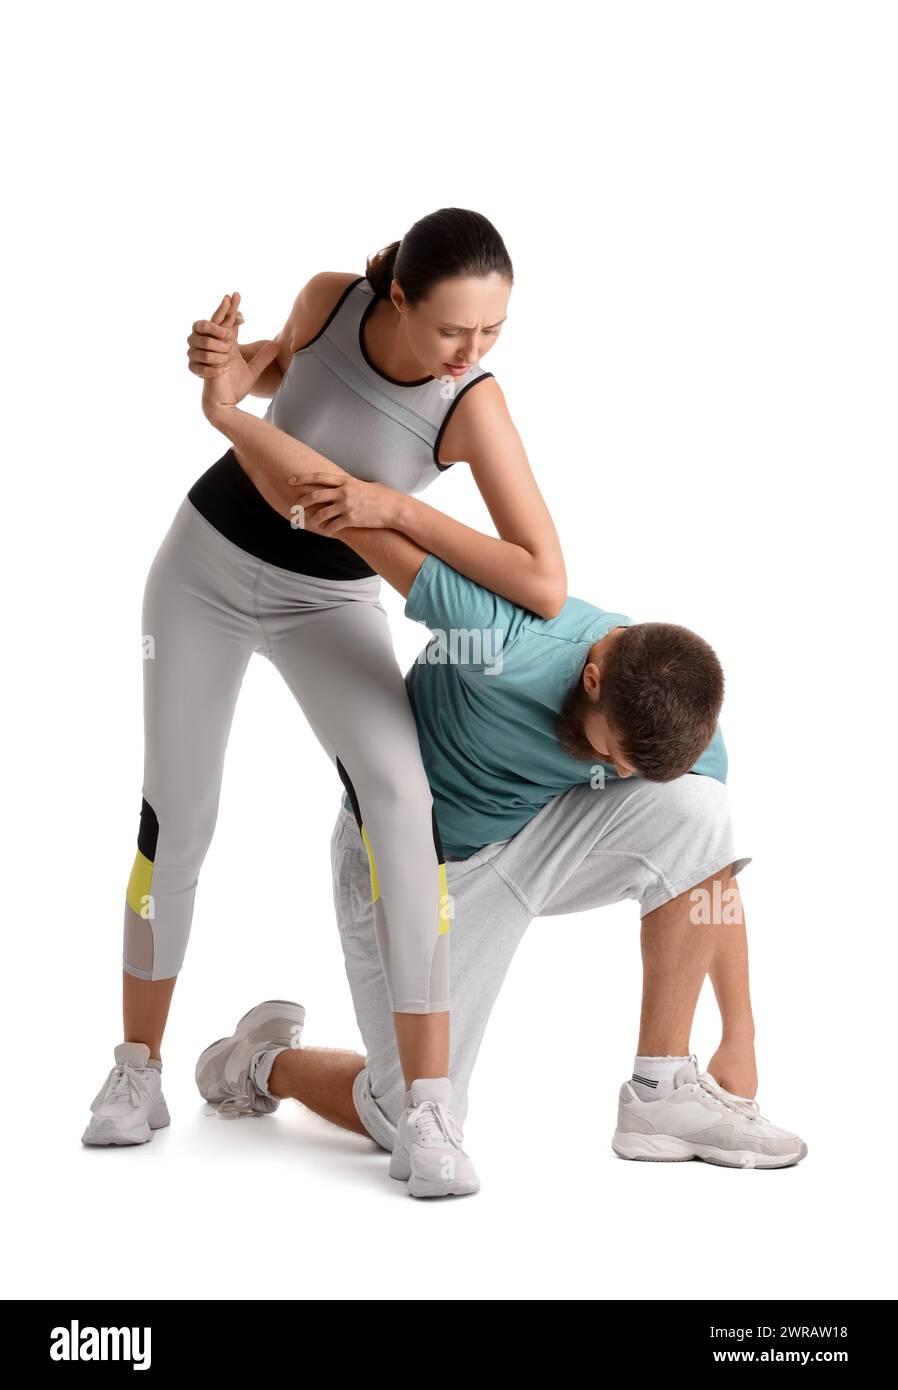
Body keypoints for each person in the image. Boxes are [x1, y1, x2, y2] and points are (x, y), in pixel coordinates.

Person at [82, 210, 567, 1200]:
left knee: (402, 801)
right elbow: (278, 374)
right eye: (450, 332)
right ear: (396, 297)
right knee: (175, 814)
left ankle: (426, 1109)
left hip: (329, 599)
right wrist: (227, 361)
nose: (469, 354)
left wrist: (399, 508)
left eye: (491, 334)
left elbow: (543, 581)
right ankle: (137, 1072)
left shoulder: (469, 404)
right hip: (203, 569)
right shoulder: (329, 297)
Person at [190, 516, 807, 1190]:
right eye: (612, 756)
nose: (620, 776)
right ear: (594, 679)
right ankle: (263, 1062)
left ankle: (661, 1093)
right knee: (406, 1114)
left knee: (700, 811)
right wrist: (352, 495)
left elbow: (708, 872)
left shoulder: (677, 734)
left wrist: (740, 1037)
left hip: (531, 840)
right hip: (407, 866)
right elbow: (389, 541)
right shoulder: (504, 646)